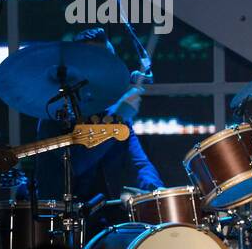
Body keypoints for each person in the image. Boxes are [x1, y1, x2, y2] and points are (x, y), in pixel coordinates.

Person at [31, 28, 163, 229]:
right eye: (96, 62)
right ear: (77, 69)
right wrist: (116, 119)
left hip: (109, 223)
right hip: (63, 226)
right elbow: (77, 164)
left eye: (109, 61)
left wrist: (159, 194)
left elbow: (139, 163)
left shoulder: (112, 111)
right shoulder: (56, 115)